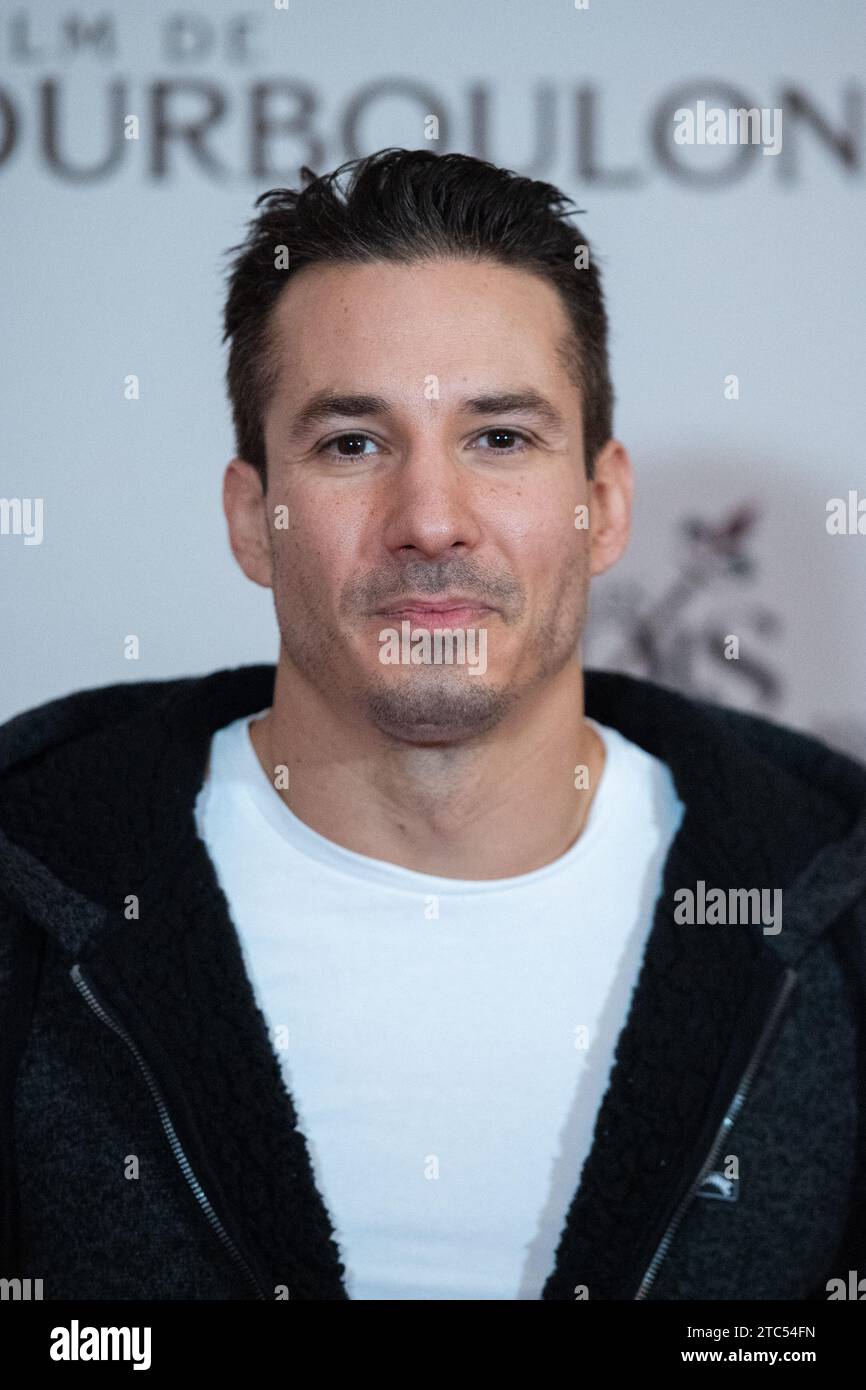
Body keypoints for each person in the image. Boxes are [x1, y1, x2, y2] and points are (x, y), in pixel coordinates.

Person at [1, 148, 865, 1302]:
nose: (430, 520)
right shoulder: (30, 875)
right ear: (254, 520)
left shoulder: (829, 892)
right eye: (350, 443)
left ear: (601, 505)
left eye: (498, 437)